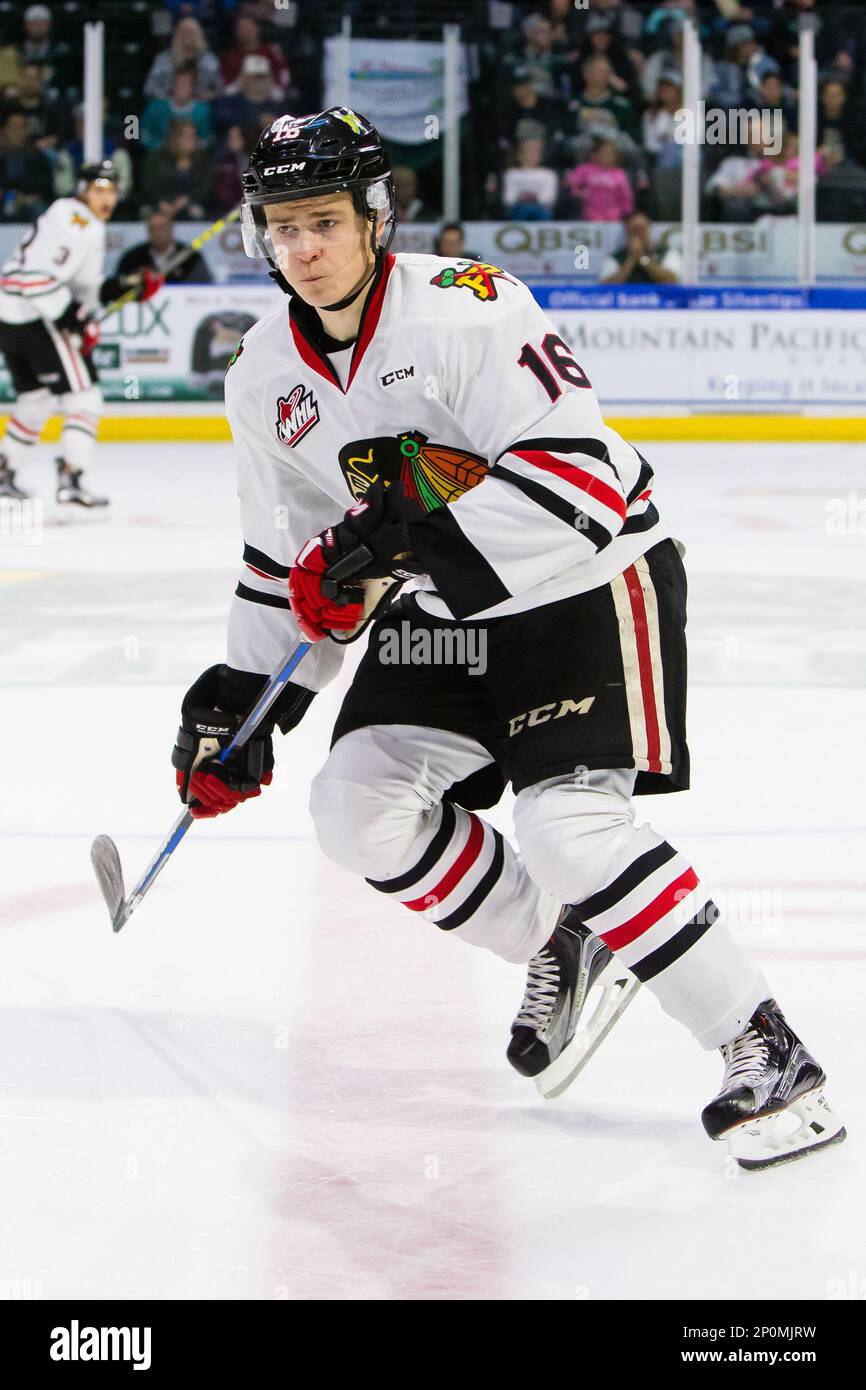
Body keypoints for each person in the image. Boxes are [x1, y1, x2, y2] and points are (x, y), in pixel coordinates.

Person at [167, 106, 845, 1172]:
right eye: (281, 227)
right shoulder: (262, 375)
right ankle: (558, 942)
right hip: (444, 614)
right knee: (354, 807)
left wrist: (396, 539)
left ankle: (766, 1050)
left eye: (323, 223)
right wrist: (245, 705)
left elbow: (580, 480)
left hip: (582, 583)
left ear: (373, 218)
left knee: (570, 830)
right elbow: (282, 555)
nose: (301, 250)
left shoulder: (468, 311)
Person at [0, 162, 163, 507]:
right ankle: (72, 481)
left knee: (38, 398)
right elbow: (37, 281)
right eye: (98, 190)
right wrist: (75, 322)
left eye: (111, 191)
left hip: (11, 315)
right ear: (82, 189)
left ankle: (4, 472)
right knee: (85, 398)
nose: (106, 198)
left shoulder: (78, 219)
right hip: (34, 315)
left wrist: (126, 286)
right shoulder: (77, 221)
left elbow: (82, 289)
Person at [116, 210, 212, 284]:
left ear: (171, 228)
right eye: (153, 228)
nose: (158, 233)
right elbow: (120, 286)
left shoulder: (191, 257)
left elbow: (203, 286)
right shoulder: (132, 259)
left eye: (161, 227)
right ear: (148, 230)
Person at [564, 135, 634, 222]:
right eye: (604, 152)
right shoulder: (585, 169)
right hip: (590, 214)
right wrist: (578, 193)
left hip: (614, 217)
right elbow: (569, 184)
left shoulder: (619, 173)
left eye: (610, 154)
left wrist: (627, 215)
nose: (607, 156)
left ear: (615, 156)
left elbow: (626, 197)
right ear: (597, 154)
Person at [599, 211, 681, 283]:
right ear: (627, 231)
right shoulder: (615, 257)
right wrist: (631, 259)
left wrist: (642, 257)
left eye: (641, 229)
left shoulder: (666, 253)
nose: (638, 233)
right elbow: (605, 286)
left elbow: (672, 280)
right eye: (634, 229)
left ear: (649, 229)